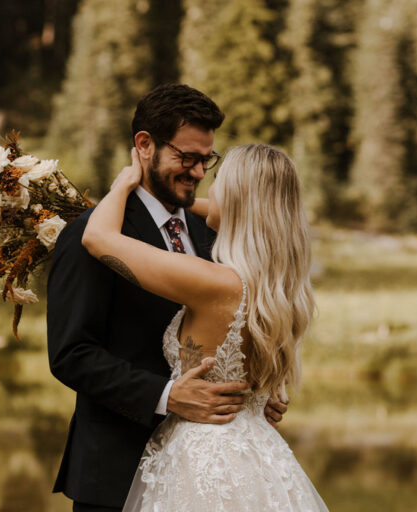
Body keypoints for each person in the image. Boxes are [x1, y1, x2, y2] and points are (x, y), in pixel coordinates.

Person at [46, 84, 289, 511]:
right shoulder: (91, 234)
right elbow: (72, 353)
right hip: (116, 475)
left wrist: (260, 386)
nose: (198, 172)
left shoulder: (213, 230)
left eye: (206, 160)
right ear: (145, 145)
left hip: (213, 473)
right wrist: (165, 394)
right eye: (187, 158)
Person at [81, 143, 329, 510]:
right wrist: (156, 194)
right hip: (256, 453)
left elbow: (96, 237)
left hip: (204, 459)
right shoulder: (281, 287)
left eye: (216, 182)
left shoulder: (216, 283)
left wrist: (124, 184)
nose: (206, 190)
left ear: (235, 198)